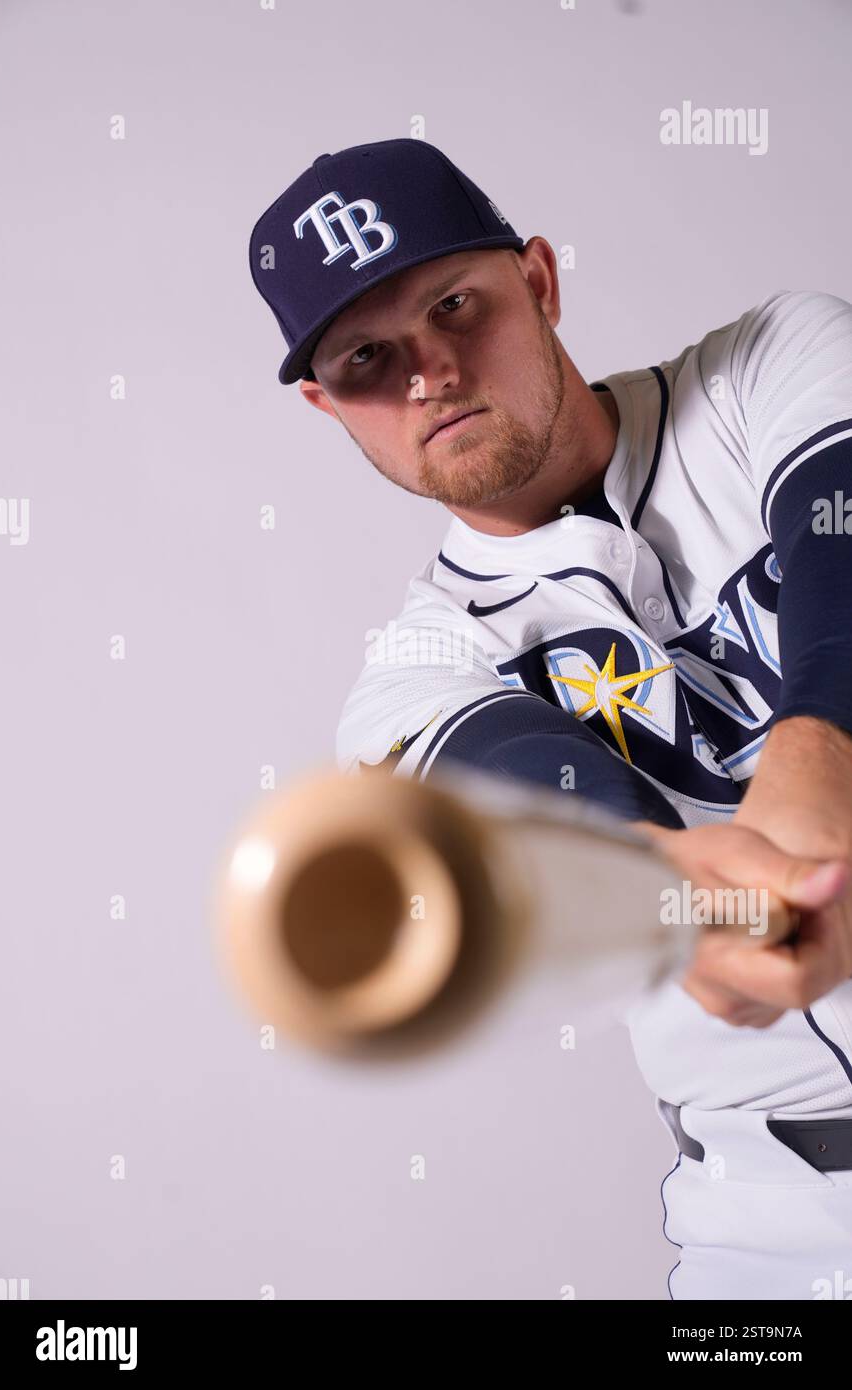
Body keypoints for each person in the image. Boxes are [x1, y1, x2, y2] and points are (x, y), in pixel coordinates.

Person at [249, 137, 852, 1299]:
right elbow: (542, 800)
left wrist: (818, 754)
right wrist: (681, 888)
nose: (429, 372)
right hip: (778, 1232)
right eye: (370, 356)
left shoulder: (772, 363)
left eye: (455, 305)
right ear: (329, 405)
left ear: (538, 279)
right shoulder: (409, 679)